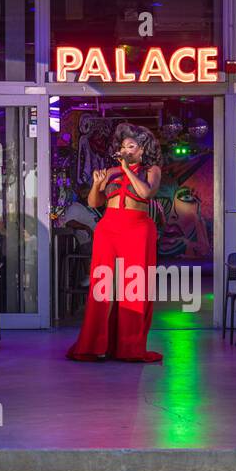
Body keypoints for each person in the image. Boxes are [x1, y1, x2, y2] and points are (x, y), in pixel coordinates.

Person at [67, 122, 164, 363]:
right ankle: (96, 345)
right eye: (123, 146)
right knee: (102, 287)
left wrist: (127, 169)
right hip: (108, 229)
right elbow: (93, 203)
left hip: (138, 230)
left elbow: (146, 194)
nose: (126, 150)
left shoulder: (152, 170)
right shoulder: (110, 171)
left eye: (131, 146)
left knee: (134, 287)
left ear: (142, 149)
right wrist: (97, 184)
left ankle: (129, 347)